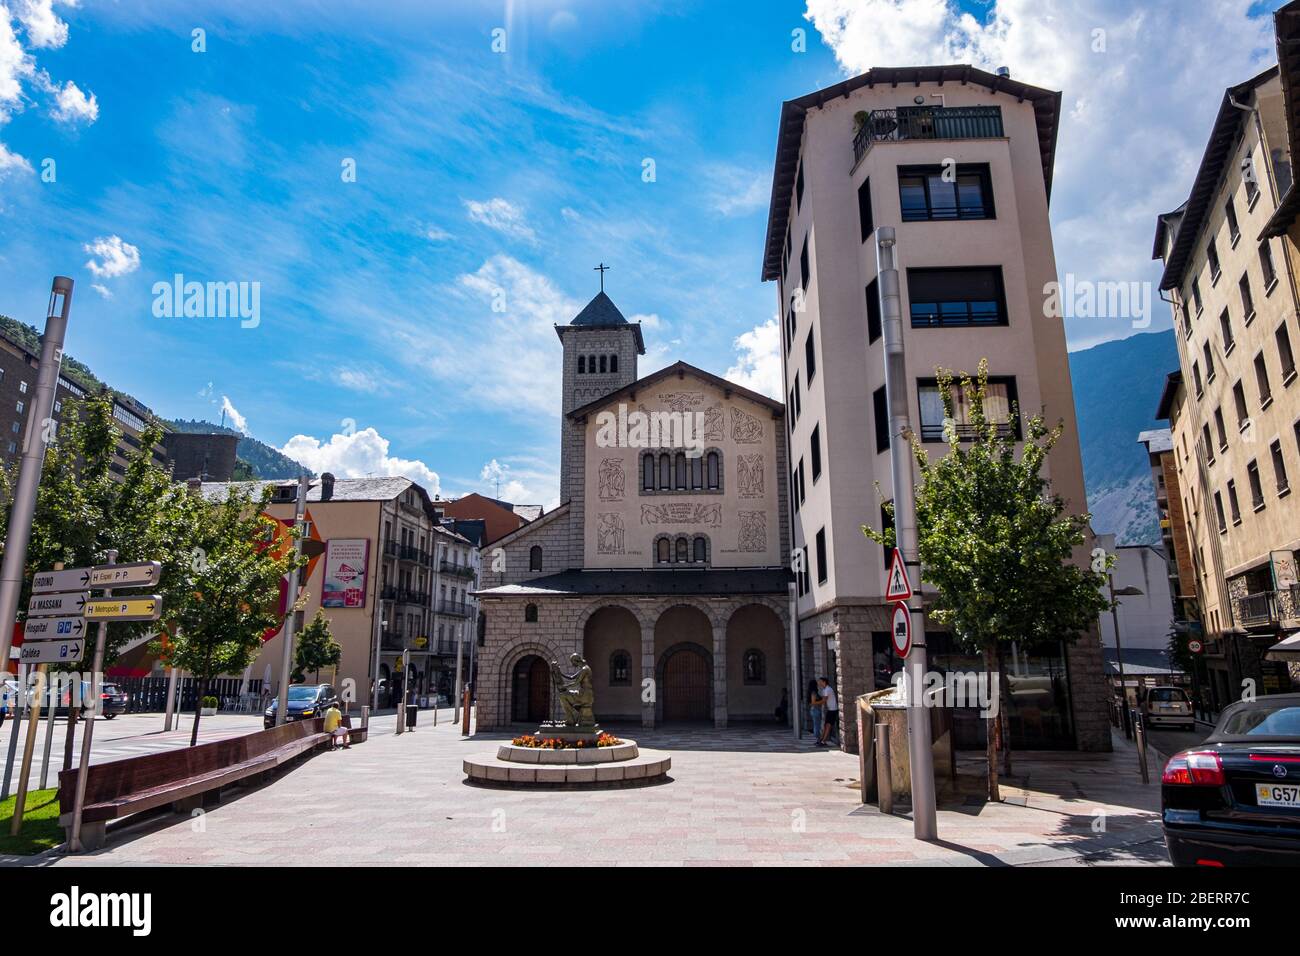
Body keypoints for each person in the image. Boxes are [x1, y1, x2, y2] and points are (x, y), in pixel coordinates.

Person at [817, 676, 838, 747]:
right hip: (830, 710)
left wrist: (813, 703)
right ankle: (821, 739)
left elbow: (824, 700)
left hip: (833, 710)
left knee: (828, 726)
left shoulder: (827, 689)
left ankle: (823, 741)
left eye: (820, 681)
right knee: (826, 725)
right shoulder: (824, 690)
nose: (818, 683)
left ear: (824, 682)